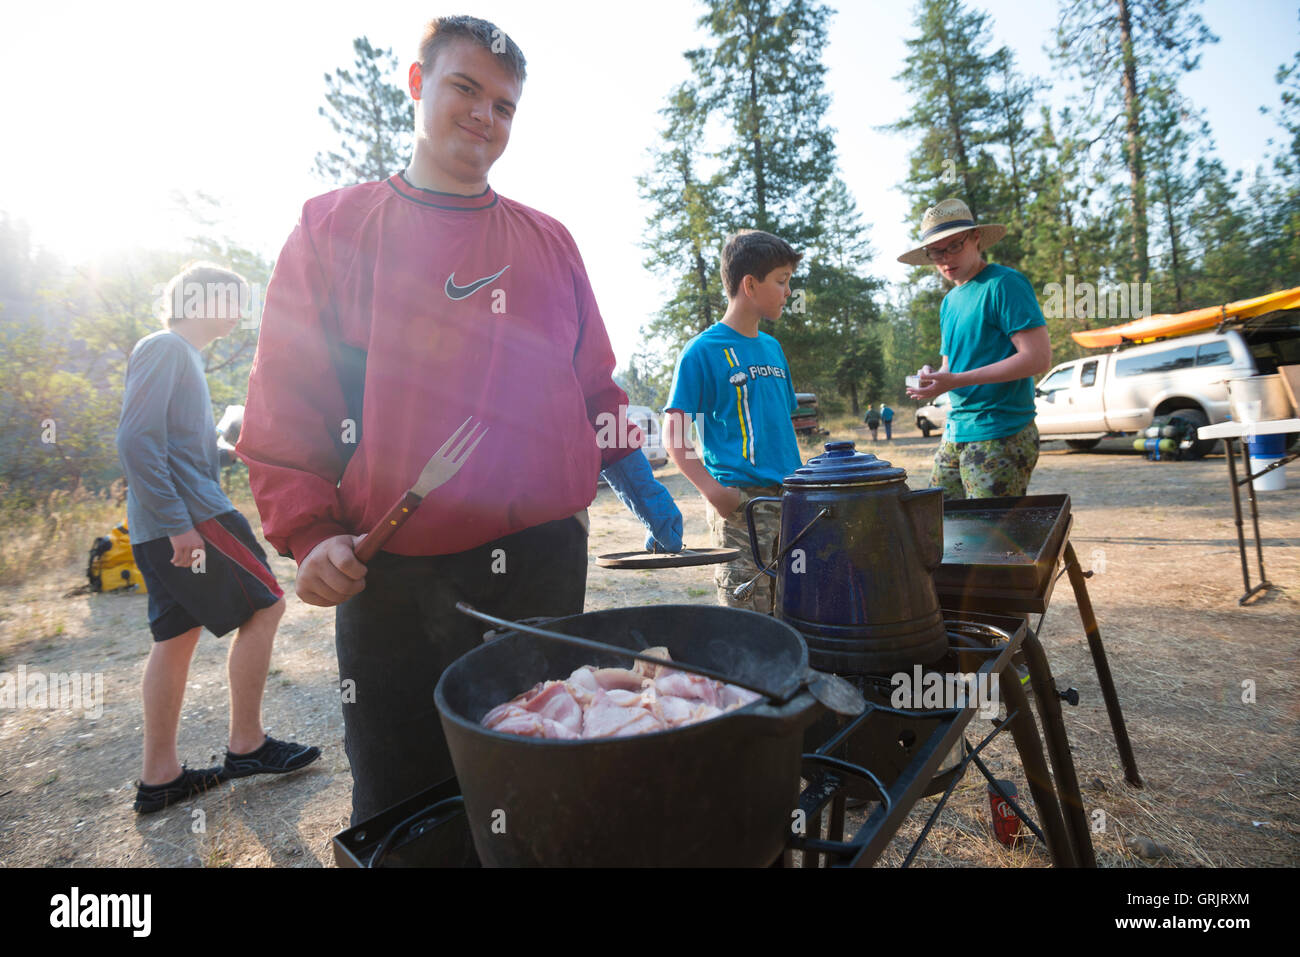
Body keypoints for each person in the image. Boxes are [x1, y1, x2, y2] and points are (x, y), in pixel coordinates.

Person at [236, 16, 681, 824]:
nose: (485, 115)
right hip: (392, 570)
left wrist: (643, 481)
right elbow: (288, 399)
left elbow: (596, 391)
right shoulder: (334, 227)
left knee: (537, 774)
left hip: (542, 562)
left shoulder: (550, 242)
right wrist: (307, 533)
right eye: (465, 89)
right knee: (405, 798)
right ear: (417, 84)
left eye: (505, 105)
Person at [116, 262, 319, 815]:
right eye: (232, 300)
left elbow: (170, 443)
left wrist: (221, 445)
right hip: (193, 521)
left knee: (175, 636)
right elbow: (136, 441)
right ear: (201, 301)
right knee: (267, 606)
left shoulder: (179, 356)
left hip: (160, 525)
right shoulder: (167, 348)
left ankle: (160, 778)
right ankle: (247, 746)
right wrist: (181, 525)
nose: (239, 312)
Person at [662, 230, 805, 615]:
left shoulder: (773, 348)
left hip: (791, 502)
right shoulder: (701, 351)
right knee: (747, 619)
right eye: (782, 280)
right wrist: (715, 492)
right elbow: (673, 434)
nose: (788, 291)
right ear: (750, 284)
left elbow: (781, 425)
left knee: (792, 609)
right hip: (741, 504)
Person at [901, 199, 1052, 498]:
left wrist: (956, 380)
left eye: (954, 246)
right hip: (956, 429)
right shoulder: (950, 301)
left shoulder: (1004, 284)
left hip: (1001, 431)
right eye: (936, 252)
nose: (945, 259)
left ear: (975, 238)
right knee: (939, 524)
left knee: (988, 538)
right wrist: (935, 378)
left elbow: (1037, 358)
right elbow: (951, 367)